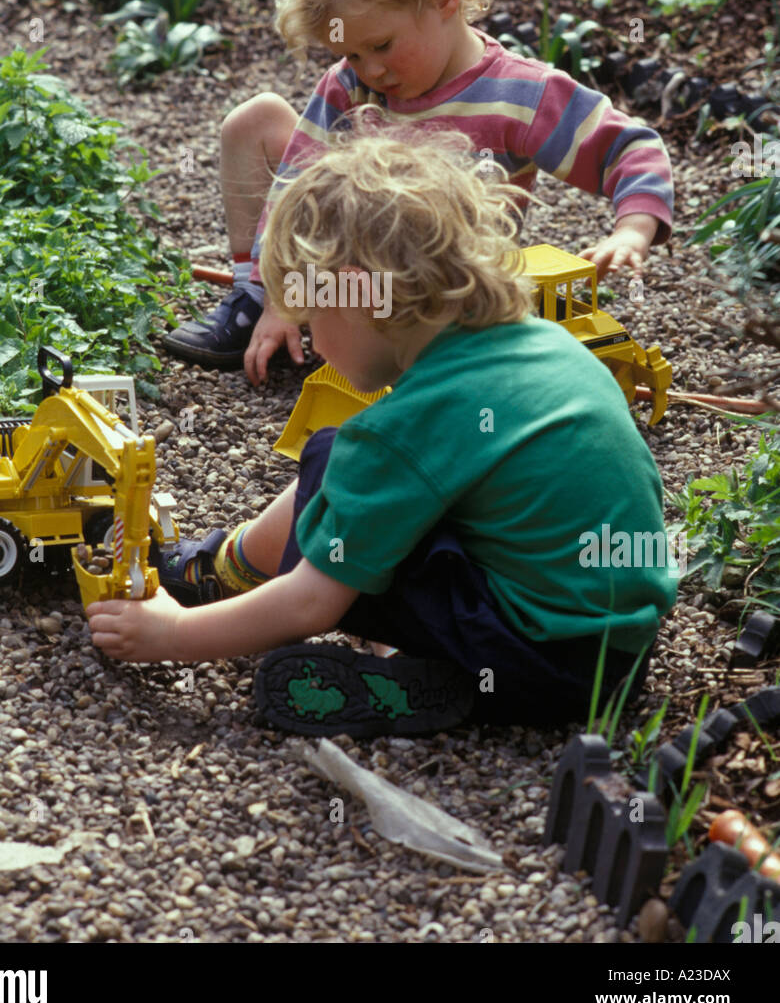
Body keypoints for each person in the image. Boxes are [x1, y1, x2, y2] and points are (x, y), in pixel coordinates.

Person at [88, 129, 678, 737]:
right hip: (618, 659)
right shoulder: (545, 345)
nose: (312, 340)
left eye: (311, 314)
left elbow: (310, 603)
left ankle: (415, 675)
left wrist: (172, 636)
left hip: (531, 663)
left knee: (345, 468)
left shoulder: (409, 425)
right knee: (342, 463)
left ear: (355, 293)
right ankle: (231, 567)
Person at [163, 0, 673, 386]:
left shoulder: (520, 95)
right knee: (256, 120)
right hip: (351, 285)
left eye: (381, 46)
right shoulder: (349, 86)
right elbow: (296, 188)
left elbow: (629, 148)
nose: (370, 70)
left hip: (444, 298)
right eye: (350, 53)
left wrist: (633, 228)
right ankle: (252, 301)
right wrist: (282, 297)